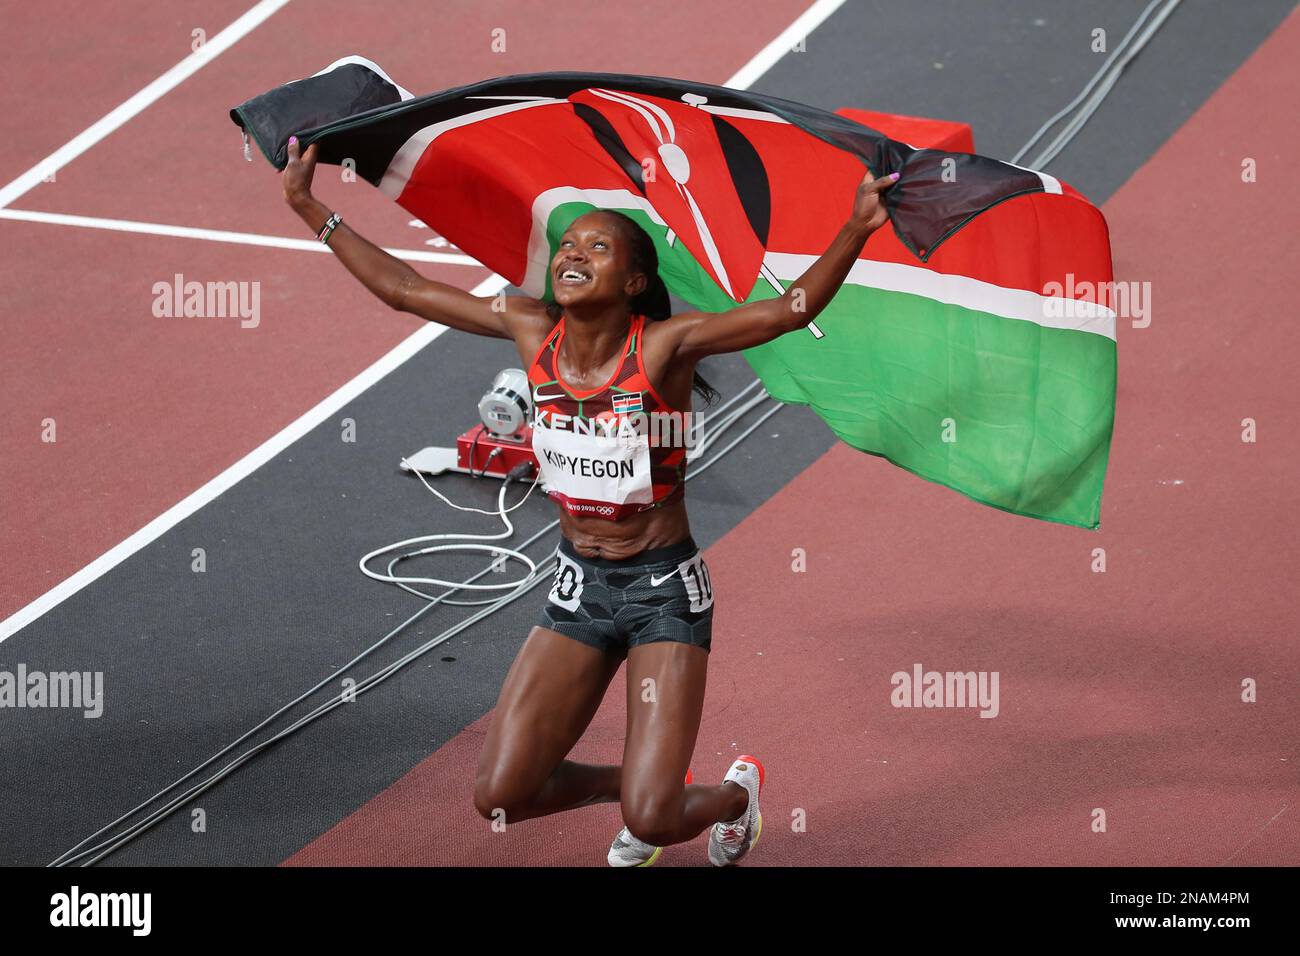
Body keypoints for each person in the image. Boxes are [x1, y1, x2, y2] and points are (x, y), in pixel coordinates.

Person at [280, 135, 895, 865]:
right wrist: (311, 207)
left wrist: (856, 227)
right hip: (577, 587)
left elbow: (785, 313)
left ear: (633, 282)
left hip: (662, 593)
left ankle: (733, 798)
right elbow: (405, 291)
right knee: (501, 796)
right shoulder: (529, 327)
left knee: (658, 819)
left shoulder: (666, 346)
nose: (573, 254)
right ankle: (631, 790)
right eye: (568, 245)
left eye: (597, 248)